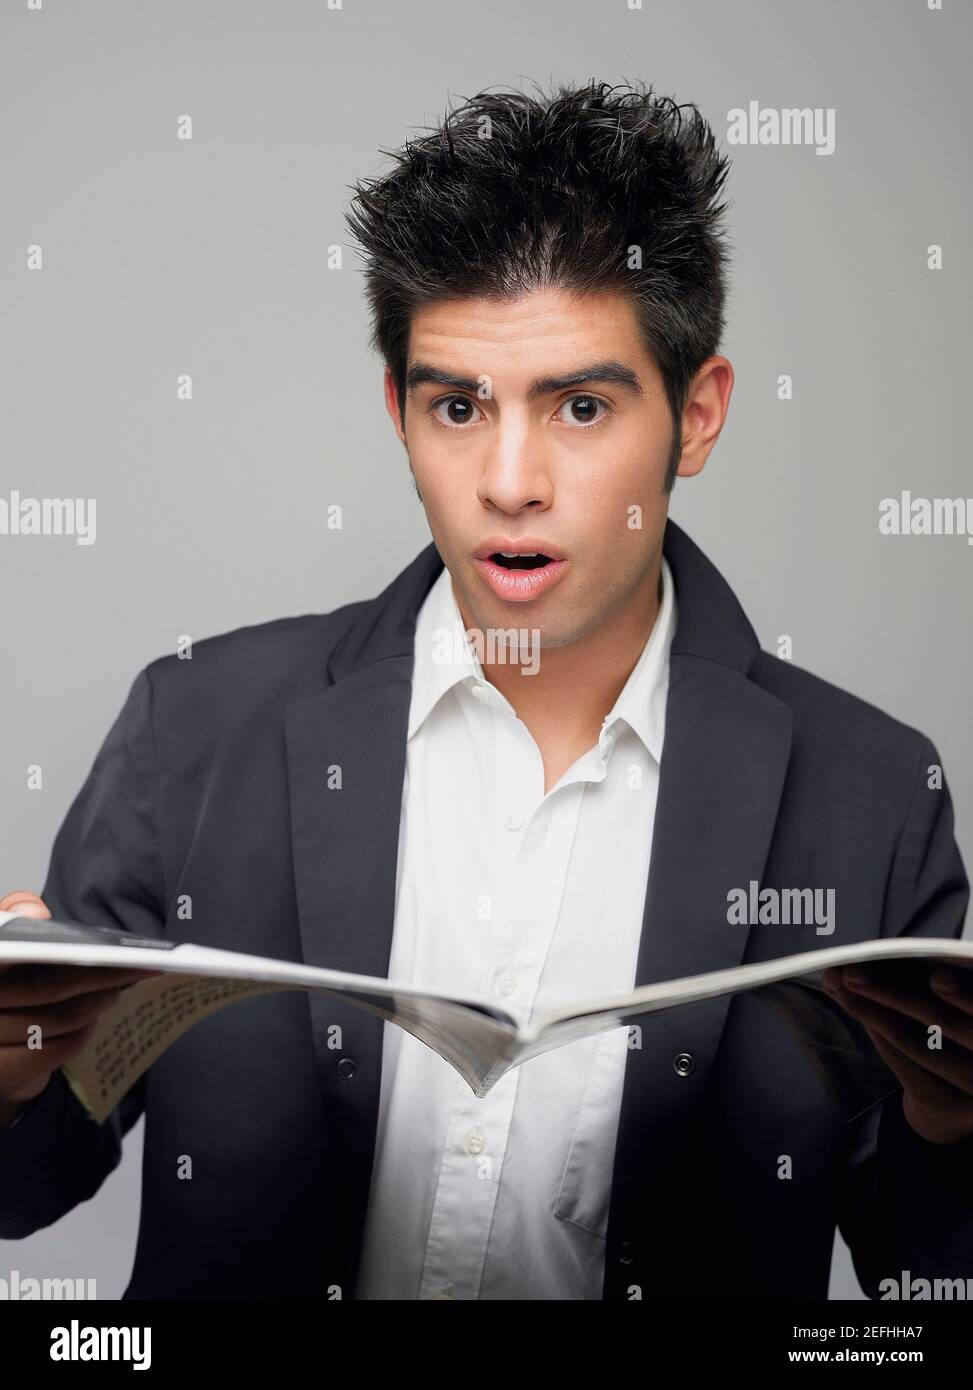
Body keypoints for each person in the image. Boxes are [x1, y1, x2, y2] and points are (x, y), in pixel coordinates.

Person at [1, 81, 971, 1301]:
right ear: (399, 417)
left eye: (578, 406)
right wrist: (16, 1071)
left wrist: (953, 1132)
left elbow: (924, 1276)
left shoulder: (873, 792)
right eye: (456, 406)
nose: (509, 480)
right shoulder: (191, 724)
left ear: (699, 414)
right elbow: (26, 1184)